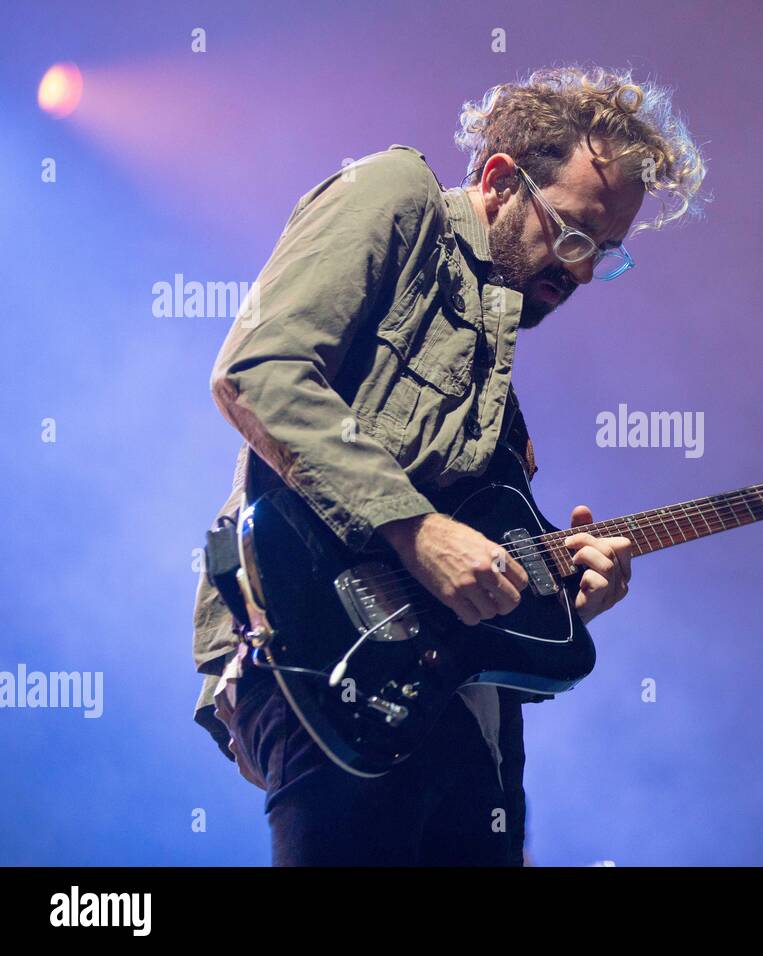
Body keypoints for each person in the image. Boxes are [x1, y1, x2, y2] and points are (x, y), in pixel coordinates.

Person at [189, 64, 708, 865]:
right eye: (572, 234)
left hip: (456, 700)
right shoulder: (395, 192)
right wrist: (414, 528)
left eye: (603, 253)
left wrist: (561, 601)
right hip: (318, 645)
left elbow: (467, 578)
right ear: (499, 181)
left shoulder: (499, 398)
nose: (579, 270)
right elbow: (259, 370)